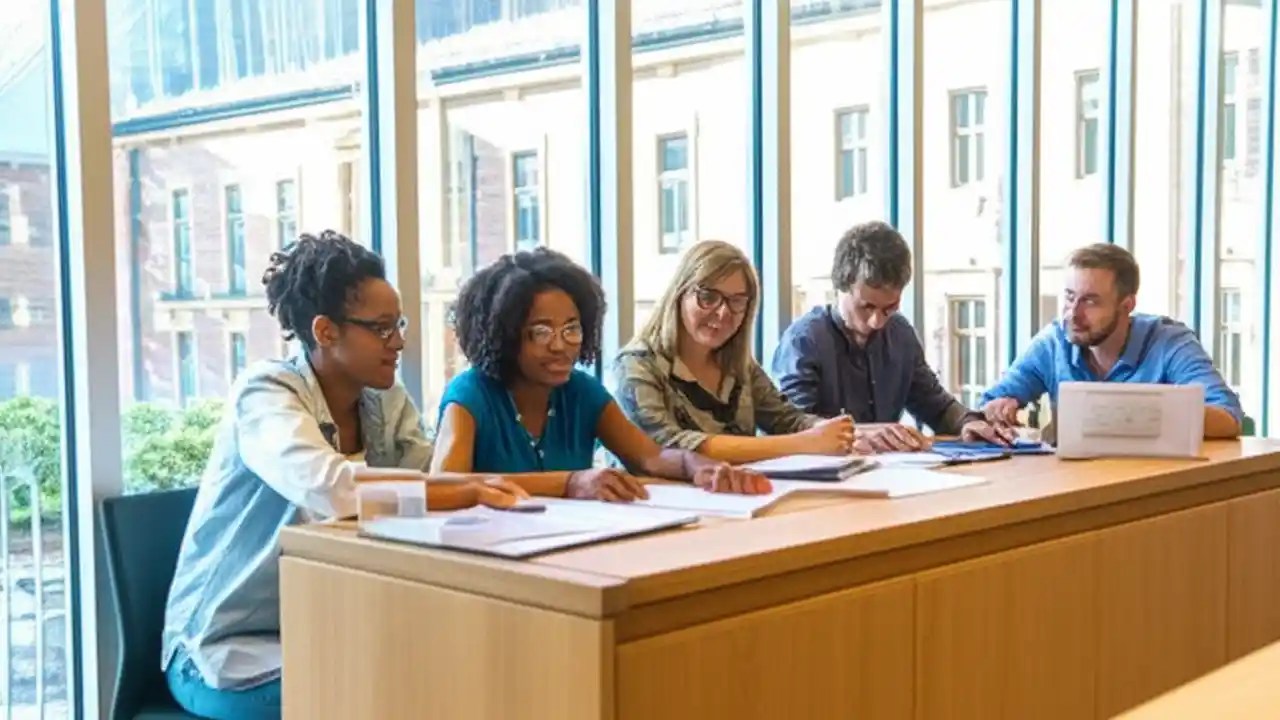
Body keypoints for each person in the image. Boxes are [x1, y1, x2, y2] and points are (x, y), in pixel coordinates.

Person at [162, 232, 526, 720]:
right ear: (326, 331)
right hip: (222, 653)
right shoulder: (265, 393)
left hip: (326, 629)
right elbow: (332, 487)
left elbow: (433, 476)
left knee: (467, 669)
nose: (398, 341)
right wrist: (454, 491)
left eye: (398, 324)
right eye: (380, 328)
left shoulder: (384, 398)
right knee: (388, 696)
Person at [431, 247, 772, 498]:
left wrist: (695, 465)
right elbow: (442, 487)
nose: (561, 345)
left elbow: (650, 458)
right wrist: (570, 483)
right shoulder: (471, 394)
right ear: (504, 333)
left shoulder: (579, 391)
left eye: (572, 329)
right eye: (541, 332)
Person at [772, 221, 1012, 451]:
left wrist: (967, 422)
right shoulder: (803, 341)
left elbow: (935, 405)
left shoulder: (900, 334)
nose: (877, 321)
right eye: (866, 307)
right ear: (840, 287)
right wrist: (859, 433)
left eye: (890, 308)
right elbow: (792, 429)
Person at [613, 240, 855, 464]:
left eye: (737, 301)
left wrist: (836, 432)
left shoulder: (739, 365)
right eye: (707, 297)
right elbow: (665, 446)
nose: (723, 313)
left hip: (735, 498)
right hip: (657, 503)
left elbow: (788, 420)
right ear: (679, 295)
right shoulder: (637, 364)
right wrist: (803, 443)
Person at [980, 243, 1243, 439]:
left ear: (1126, 305)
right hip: (1075, 485)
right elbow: (989, 403)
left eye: (1090, 301)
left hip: (1151, 486)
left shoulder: (1169, 342)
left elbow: (1227, 417)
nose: (1073, 314)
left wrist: (1136, 414)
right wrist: (1000, 407)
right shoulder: (1054, 342)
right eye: (1070, 297)